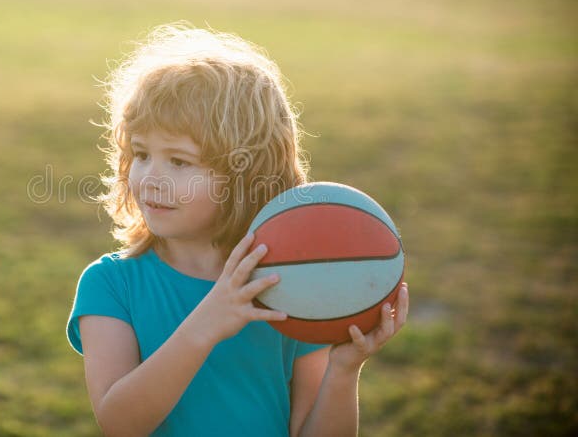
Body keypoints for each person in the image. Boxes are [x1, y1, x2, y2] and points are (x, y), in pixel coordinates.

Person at [66, 23, 409, 437]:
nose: (151, 178)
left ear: (248, 175)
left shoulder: (292, 289)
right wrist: (206, 323)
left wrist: (344, 369)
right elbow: (119, 422)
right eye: (141, 154)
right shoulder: (111, 285)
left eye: (179, 161)